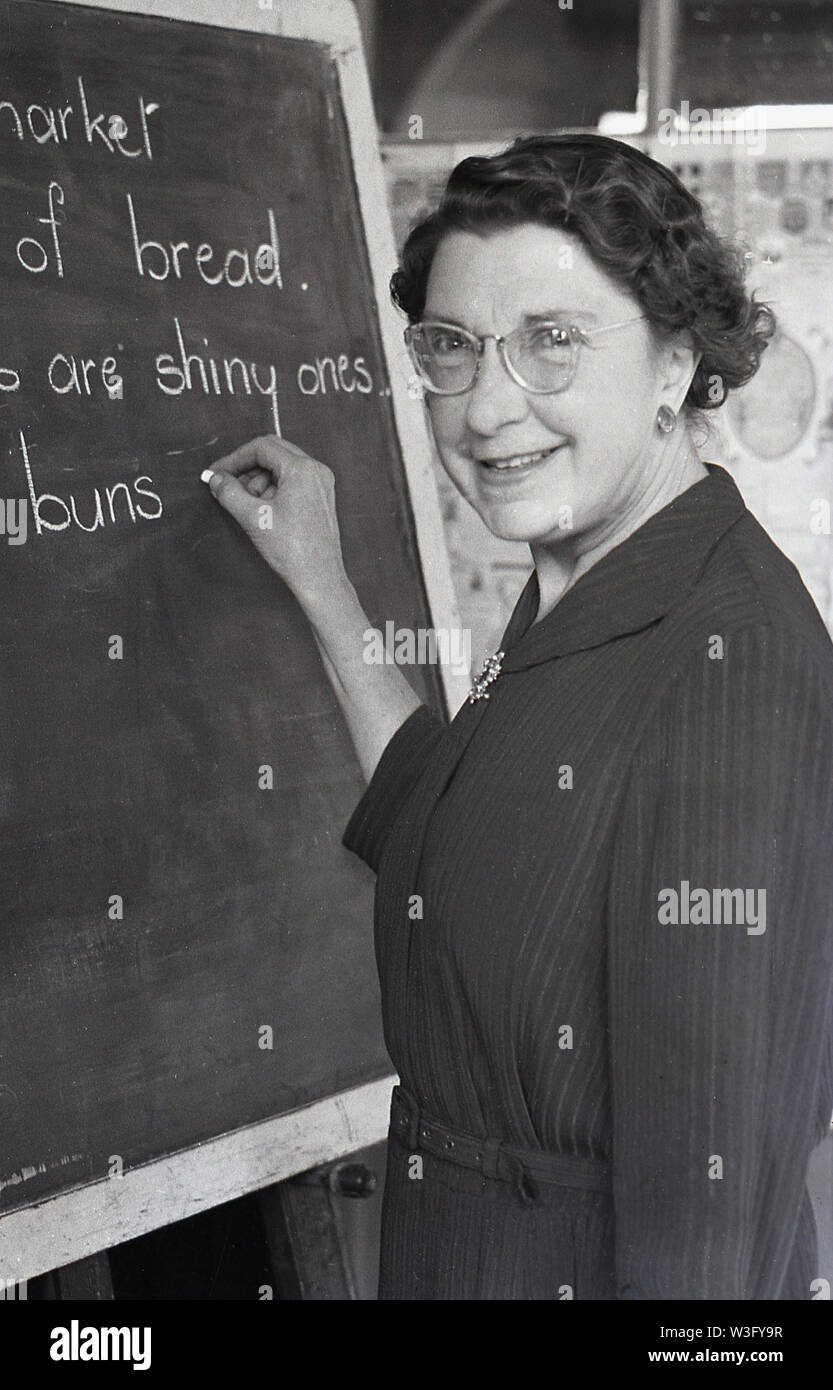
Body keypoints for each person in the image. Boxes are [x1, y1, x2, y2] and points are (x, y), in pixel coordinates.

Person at [203, 134, 833, 1300]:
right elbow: (451, 833)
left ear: (671, 363)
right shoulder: (585, 587)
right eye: (452, 347)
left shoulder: (723, 664)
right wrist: (324, 585)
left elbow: (714, 1214)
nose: (487, 409)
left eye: (550, 342)